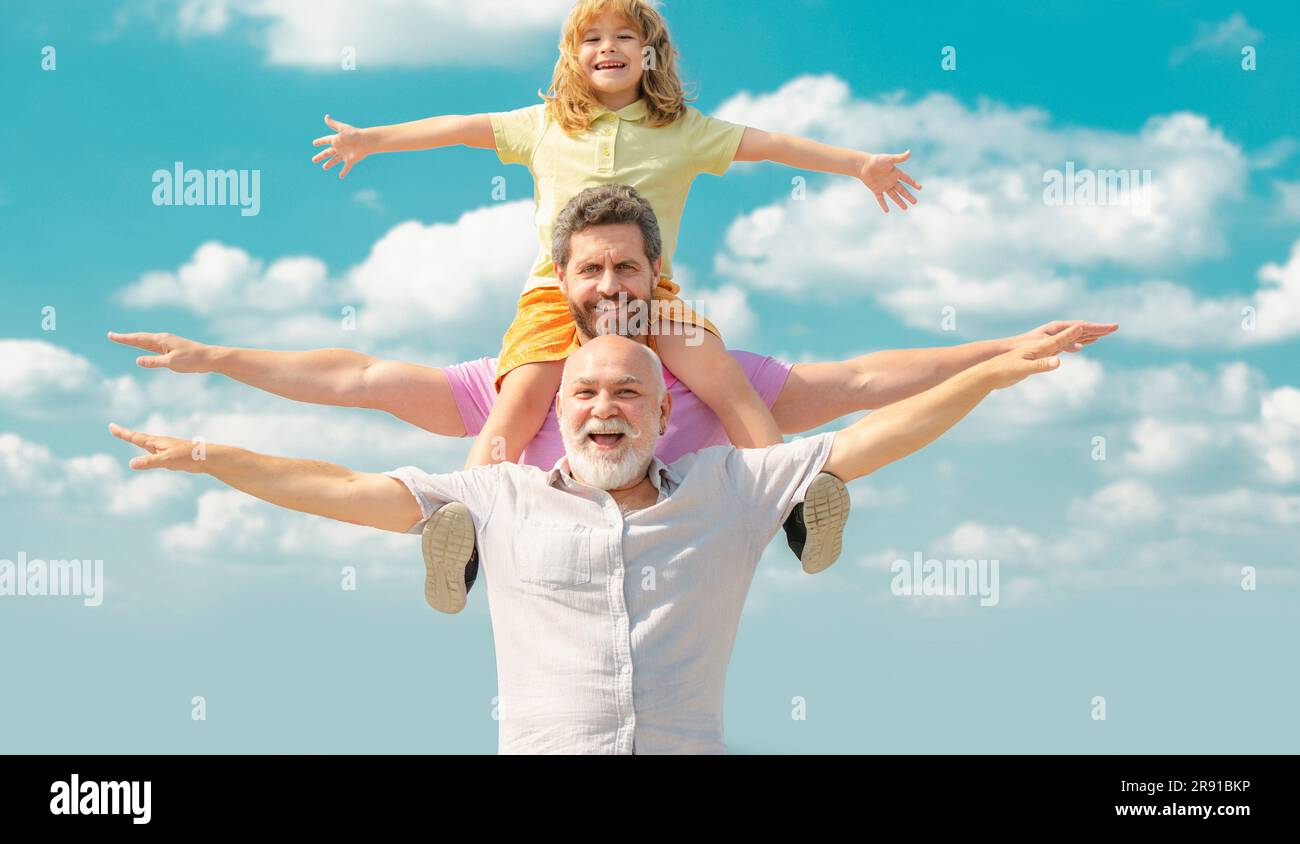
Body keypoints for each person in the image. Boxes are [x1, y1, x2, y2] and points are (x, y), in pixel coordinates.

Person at [108, 185, 1117, 613]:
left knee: (765, 436)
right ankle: (459, 541)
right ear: (563, 280)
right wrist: (220, 355)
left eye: (627, 269)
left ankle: (797, 517)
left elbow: (852, 383)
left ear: (655, 269)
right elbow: (364, 379)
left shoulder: (692, 352)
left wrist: (997, 348)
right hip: (553, 572)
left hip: (684, 559)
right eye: (590, 271)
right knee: (483, 471)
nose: (611, 289)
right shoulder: (535, 365)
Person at [108, 324, 1095, 754]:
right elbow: (341, 482)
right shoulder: (497, 495)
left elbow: (872, 423)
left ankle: (808, 525)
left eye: (628, 391)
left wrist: (989, 372)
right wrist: (208, 450)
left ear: (665, 415)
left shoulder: (726, 486)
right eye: (583, 391)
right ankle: (445, 567)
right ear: (558, 411)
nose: (603, 406)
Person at [309, 0, 922, 473]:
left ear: (649, 53)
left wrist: (858, 165)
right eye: (592, 38)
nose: (608, 47)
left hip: (647, 299)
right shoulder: (546, 123)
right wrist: (372, 140)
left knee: (723, 378)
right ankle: (466, 517)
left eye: (625, 36)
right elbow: (461, 127)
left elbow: (771, 146)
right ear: (573, 57)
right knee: (518, 403)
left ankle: (791, 497)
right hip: (556, 296)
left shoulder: (683, 130)